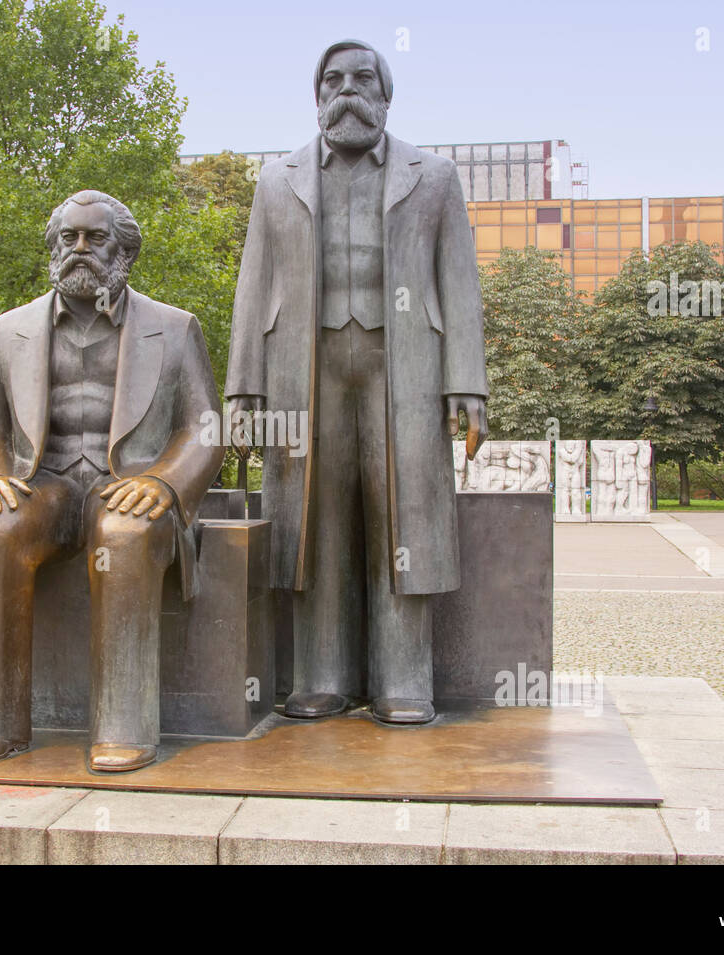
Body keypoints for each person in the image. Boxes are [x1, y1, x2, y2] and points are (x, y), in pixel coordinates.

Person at [225, 40, 489, 724]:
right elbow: (254, 283)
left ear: (385, 94)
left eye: (361, 77)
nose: (347, 89)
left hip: (403, 367)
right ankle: (321, 675)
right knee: (314, 518)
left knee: (401, 511)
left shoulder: (433, 176)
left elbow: (458, 280)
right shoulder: (276, 179)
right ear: (317, 96)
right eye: (332, 80)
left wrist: (468, 382)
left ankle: (404, 679)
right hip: (301, 368)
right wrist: (242, 386)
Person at [0, 190, 223, 772]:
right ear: (53, 246)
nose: (81, 249)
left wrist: (166, 484)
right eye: (69, 238)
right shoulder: (11, 329)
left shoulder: (174, 327)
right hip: (44, 484)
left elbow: (205, 428)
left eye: (96, 238)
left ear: (124, 252)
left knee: (124, 531)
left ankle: (124, 725)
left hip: (128, 483)